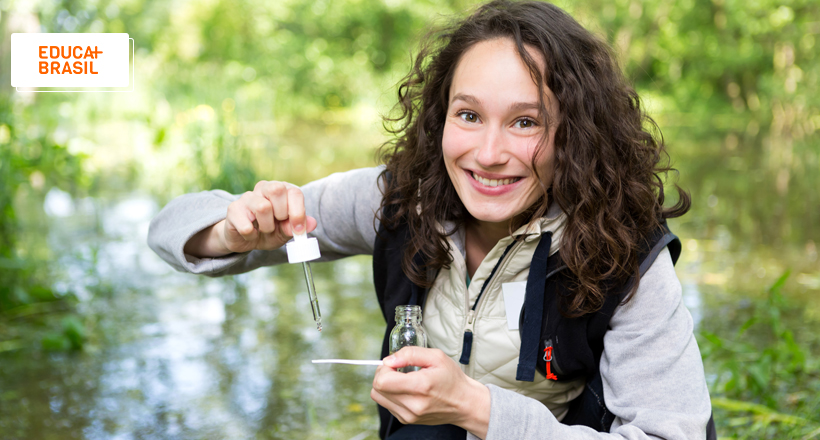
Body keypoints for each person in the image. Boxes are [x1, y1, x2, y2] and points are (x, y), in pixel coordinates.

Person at [148, 1, 714, 438]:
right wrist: (232, 229)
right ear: (440, 118)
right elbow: (167, 232)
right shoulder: (396, 200)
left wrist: (478, 409)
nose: (488, 153)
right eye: (468, 115)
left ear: (577, 134)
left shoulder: (629, 257)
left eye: (525, 122)